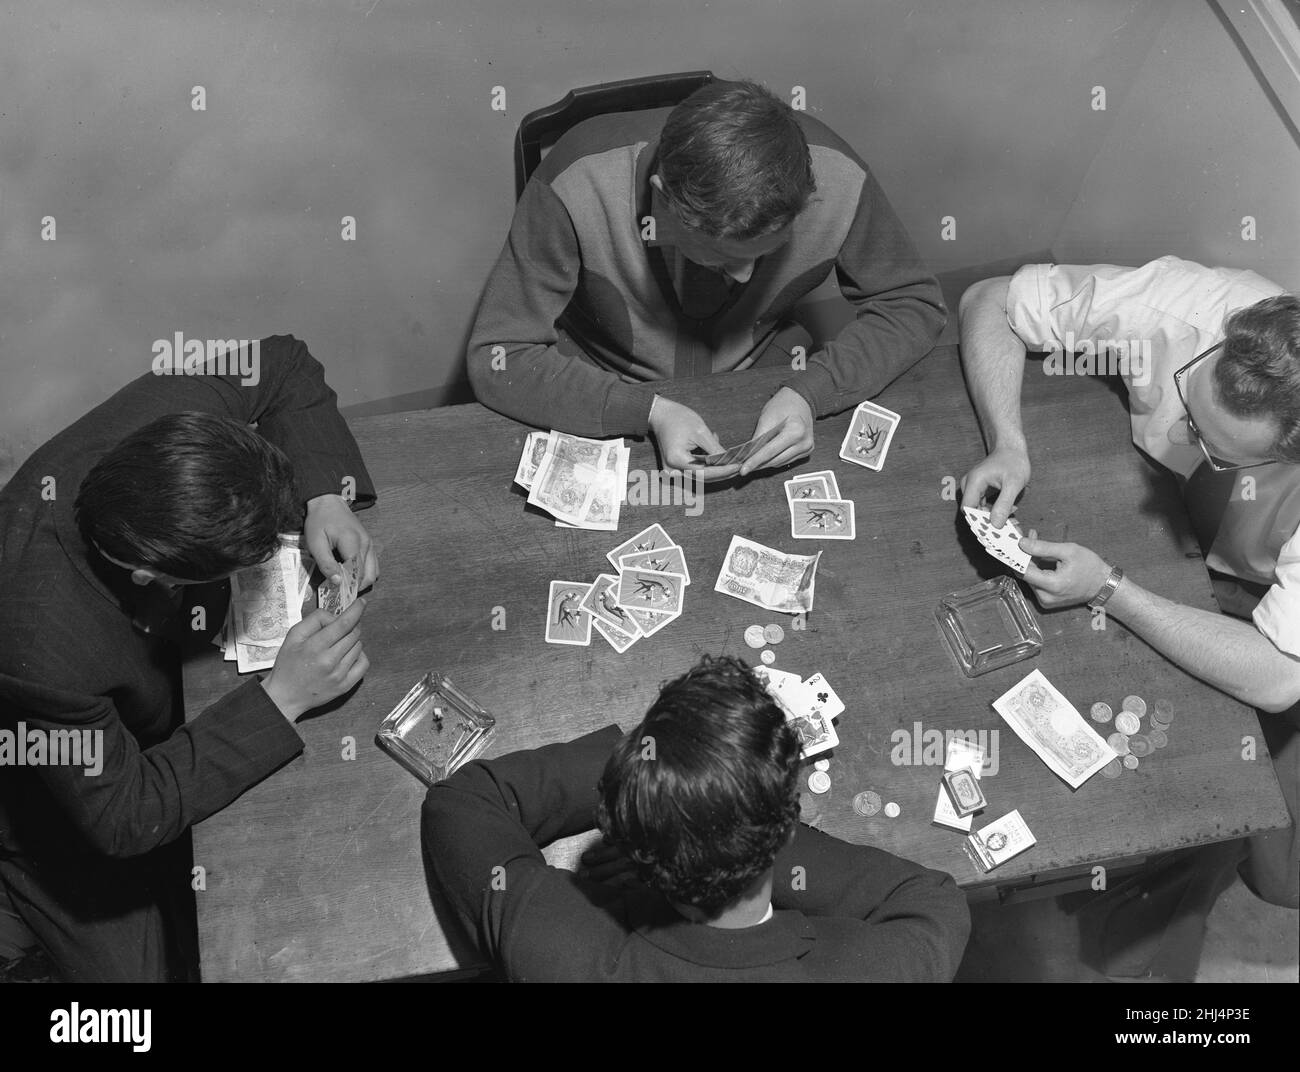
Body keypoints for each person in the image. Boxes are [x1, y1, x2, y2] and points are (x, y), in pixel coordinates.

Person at [957, 255, 1300, 975]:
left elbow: (1277, 677)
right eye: (1190, 402)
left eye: (1213, 447)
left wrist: (1110, 589)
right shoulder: (1185, 305)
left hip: (1268, 602)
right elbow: (992, 301)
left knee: (1278, 877)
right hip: (1167, 528)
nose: (1188, 434)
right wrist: (1008, 442)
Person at [0, 336, 379, 982]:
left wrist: (323, 496)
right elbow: (126, 814)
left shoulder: (180, 405)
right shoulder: (38, 648)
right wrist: (282, 698)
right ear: (154, 574)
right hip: (47, 787)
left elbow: (284, 361)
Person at [467, 78, 945, 481]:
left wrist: (810, 391)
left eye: (767, 252)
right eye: (719, 256)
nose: (744, 277)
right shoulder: (575, 179)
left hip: (769, 384)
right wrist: (646, 412)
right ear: (661, 199)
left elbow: (914, 305)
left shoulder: (839, 178)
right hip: (601, 391)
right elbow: (498, 357)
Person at [421, 655, 970, 981]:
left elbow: (462, 805)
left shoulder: (565, 954)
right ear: (782, 822)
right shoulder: (877, 970)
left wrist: (651, 780)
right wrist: (737, 809)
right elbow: (935, 901)